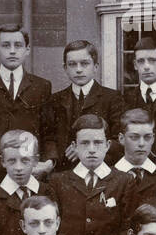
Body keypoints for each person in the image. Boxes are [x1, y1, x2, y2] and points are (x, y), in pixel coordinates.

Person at [0, 25, 52, 190]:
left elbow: (49, 129)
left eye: (18, 45)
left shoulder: (41, 86)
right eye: (6, 45)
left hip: (29, 168)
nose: (12, 51)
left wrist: (50, 161)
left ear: (27, 49)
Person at [46, 114, 129, 235]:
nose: (91, 149)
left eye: (98, 143)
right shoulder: (58, 182)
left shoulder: (123, 181)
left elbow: (126, 233)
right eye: (85, 143)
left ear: (108, 145)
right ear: (74, 146)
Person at [43, 40, 124, 172]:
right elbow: (49, 137)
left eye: (85, 63)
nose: (79, 69)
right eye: (72, 64)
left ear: (96, 67)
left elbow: (119, 140)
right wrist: (52, 160)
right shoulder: (55, 100)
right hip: (64, 171)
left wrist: (84, 149)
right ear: (65, 68)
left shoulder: (112, 98)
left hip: (101, 169)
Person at [113, 108, 156, 216]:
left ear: (153, 138)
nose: (141, 143)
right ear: (121, 138)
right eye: (134, 137)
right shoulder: (109, 176)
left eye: (147, 137)